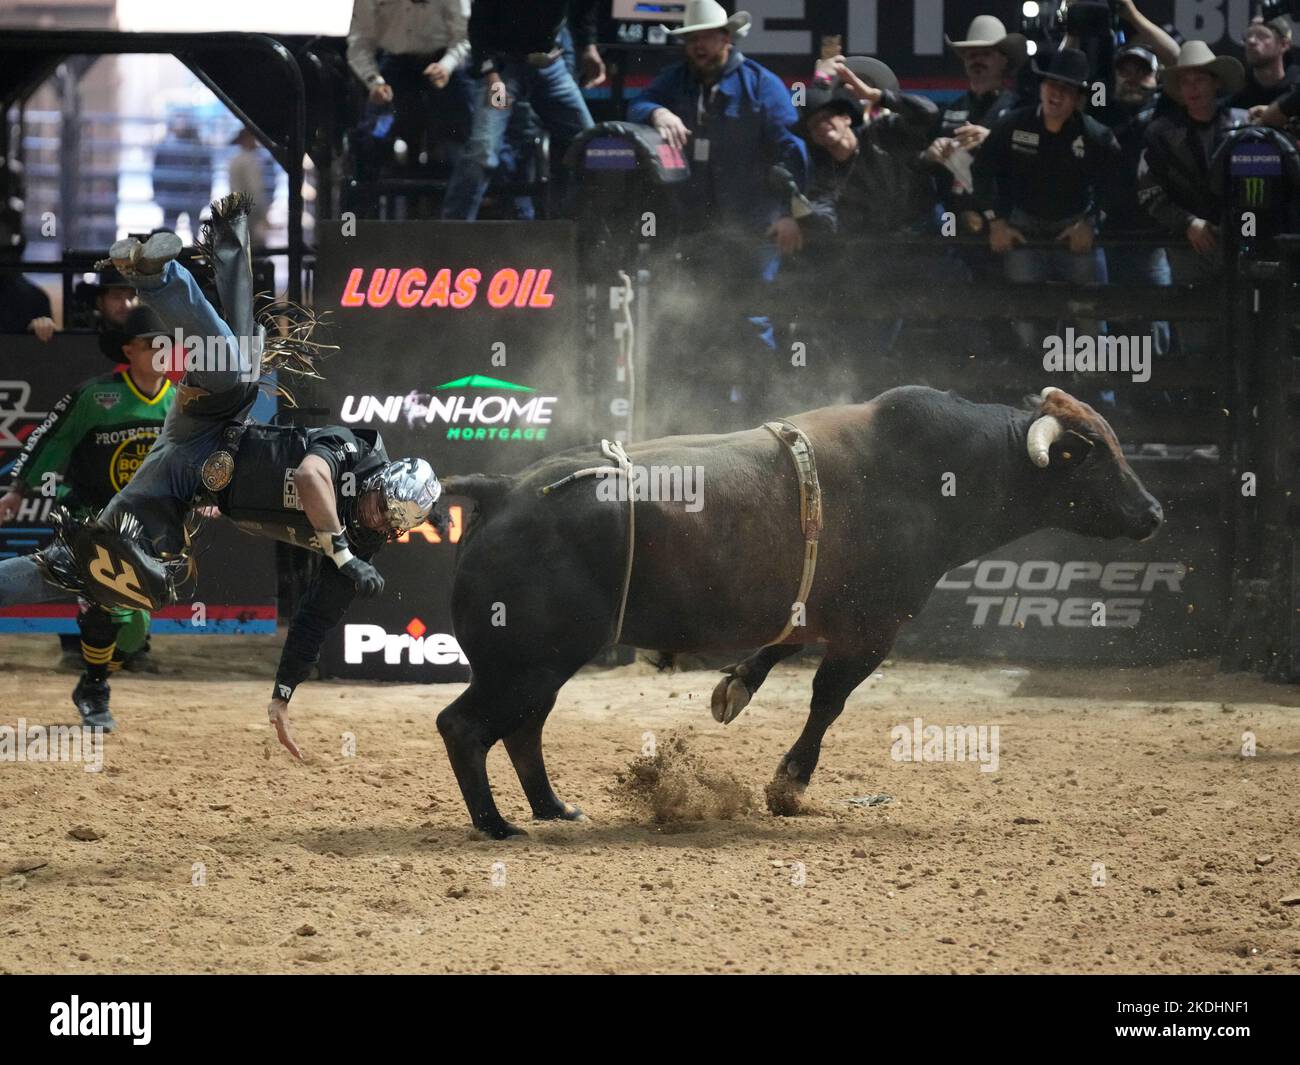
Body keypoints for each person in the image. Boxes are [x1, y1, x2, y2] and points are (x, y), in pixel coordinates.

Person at [0, 195, 444, 754]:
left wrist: (282, 696)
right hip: (218, 422)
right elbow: (310, 478)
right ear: (383, 478)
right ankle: (161, 275)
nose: (375, 516)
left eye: (385, 520)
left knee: (80, 570)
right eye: (380, 502)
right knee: (235, 365)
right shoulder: (352, 449)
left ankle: (213, 247)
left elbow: (315, 618)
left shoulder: (363, 541)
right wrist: (342, 551)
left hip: (184, 485)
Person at [0, 305, 176, 729]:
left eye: (165, 345)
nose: (159, 352)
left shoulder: (178, 404)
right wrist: (19, 489)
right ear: (129, 350)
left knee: (132, 631)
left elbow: (194, 462)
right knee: (93, 599)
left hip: (143, 534)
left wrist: (207, 495)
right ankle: (96, 691)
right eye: (150, 345)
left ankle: (93, 680)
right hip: (88, 521)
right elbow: (51, 438)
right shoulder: (97, 396)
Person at [973, 48, 1122, 354]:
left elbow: (1116, 185)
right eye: (1052, 85)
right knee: (1026, 319)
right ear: (1041, 87)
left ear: (1078, 98)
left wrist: (1092, 223)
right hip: (1023, 228)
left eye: (1067, 89)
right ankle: (1032, 395)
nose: (1057, 95)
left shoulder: (1095, 135)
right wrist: (996, 221)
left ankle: (1101, 397)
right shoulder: (1012, 125)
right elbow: (981, 170)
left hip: (1074, 226)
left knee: (1091, 320)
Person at [440, 0, 604, 220]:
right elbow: (478, 27)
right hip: (502, 73)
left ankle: (584, 229)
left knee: (590, 144)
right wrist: (491, 76)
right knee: (484, 149)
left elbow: (585, 9)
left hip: (550, 69)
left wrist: (588, 46)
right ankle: (451, 234)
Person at [1137, 42, 1247, 283]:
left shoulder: (1244, 125)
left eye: (1199, 79)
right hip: (1187, 248)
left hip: (1241, 245)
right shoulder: (1160, 134)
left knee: (1243, 314)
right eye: (1185, 81)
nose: (1192, 88)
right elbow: (1148, 191)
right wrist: (1187, 222)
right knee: (1192, 316)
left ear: (1216, 83)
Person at [923, 15, 1026, 240]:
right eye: (971, 54)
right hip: (953, 219)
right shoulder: (949, 109)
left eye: (985, 54)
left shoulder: (1020, 110)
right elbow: (921, 162)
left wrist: (993, 139)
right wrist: (931, 154)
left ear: (1004, 60)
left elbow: (1037, 158)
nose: (977, 60)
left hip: (1004, 221)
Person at [347, 0, 473, 179]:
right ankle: (367, 200)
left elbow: (463, 36)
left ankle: (453, 198)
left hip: (444, 62)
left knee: (459, 140)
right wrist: (374, 82)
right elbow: (360, 42)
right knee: (373, 133)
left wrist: (446, 66)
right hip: (395, 66)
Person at [152, 113, 213, 233]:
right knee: (168, 232)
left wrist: (205, 195)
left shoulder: (200, 147)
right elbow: (157, 173)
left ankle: (193, 251)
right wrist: (157, 194)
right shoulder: (165, 147)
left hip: (193, 197)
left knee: (194, 230)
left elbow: (207, 174)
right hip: (171, 197)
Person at [1233, 13, 1298, 111]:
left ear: (1284, 44)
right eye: (1248, 35)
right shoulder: (1238, 92)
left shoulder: (1296, 88)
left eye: (1262, 35)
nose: (1251, 41)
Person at [227, 128, 274, 246]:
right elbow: (255, 190)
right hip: (251, 211)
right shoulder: (251, 161)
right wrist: (264, 215)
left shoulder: (235, 160)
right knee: (256, 247)